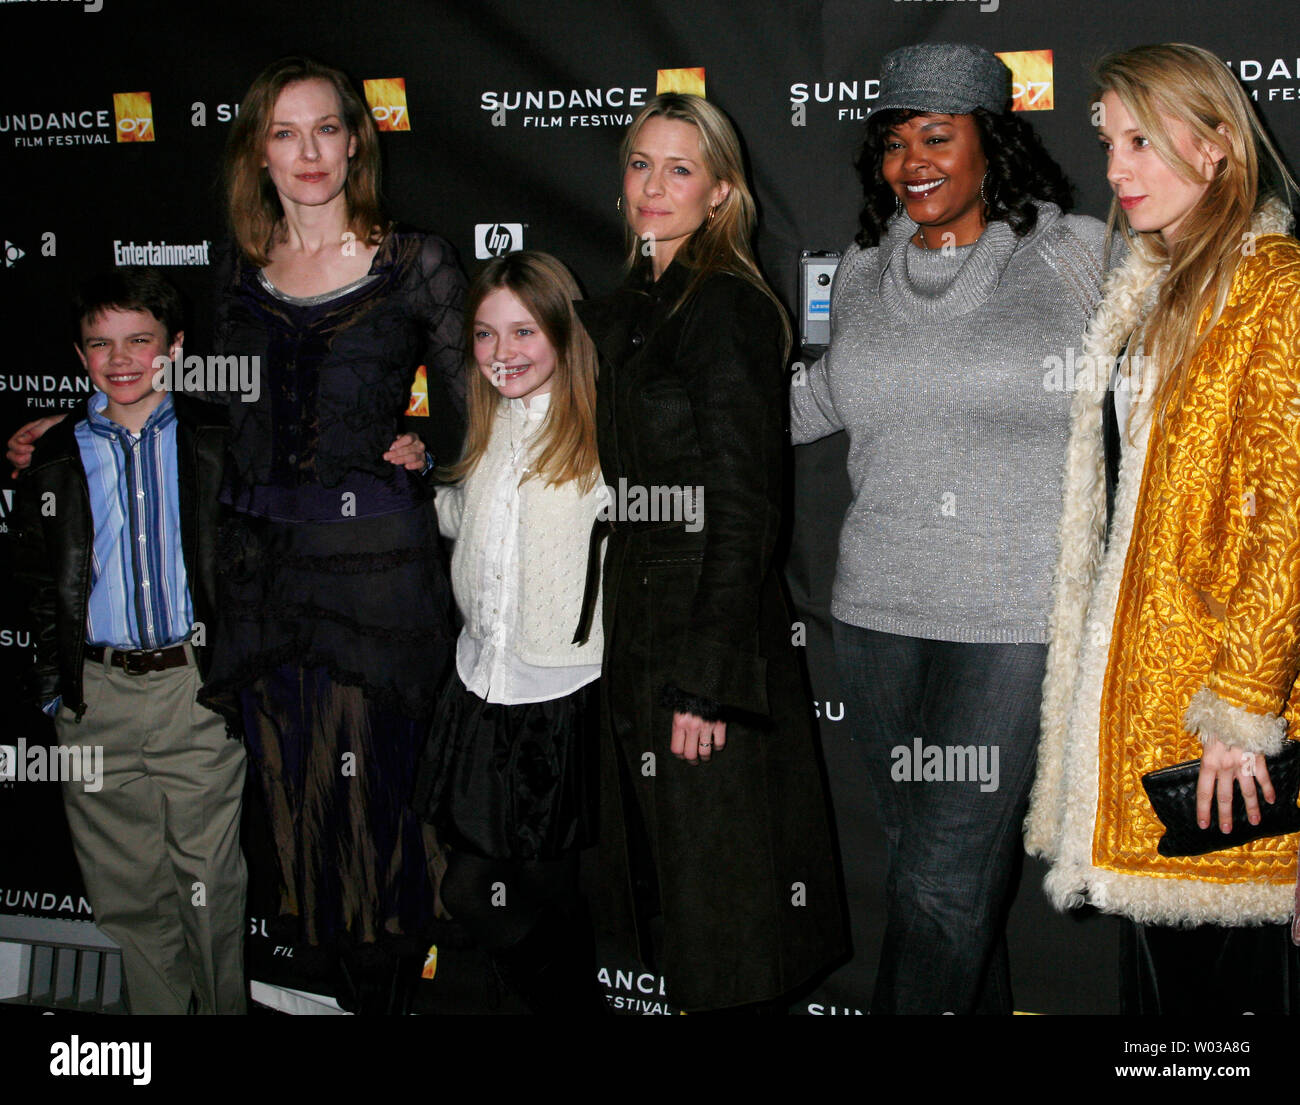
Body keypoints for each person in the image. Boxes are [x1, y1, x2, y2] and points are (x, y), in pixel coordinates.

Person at [790, 43, 1112, 1013]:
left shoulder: (1073, 254)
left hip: (1010, 620)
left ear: (990, 142)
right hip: (878, 619)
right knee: (937, 884)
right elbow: (811, 405)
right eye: (893, 142)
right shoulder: (858, 271)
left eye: (936, 135)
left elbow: (1174, 372)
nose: (911, 162)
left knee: (937, 884)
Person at [1024, 42, 1300, 1013]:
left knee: (1223, 1004)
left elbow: (1287, 514)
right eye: (1107, 143)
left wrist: (1240, 710)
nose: (1114, 171)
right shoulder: (1154, 285)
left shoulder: (1274, 286)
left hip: (1222, 728)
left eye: (1140, 140)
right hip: (1146, 707)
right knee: (1164, 1001)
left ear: (1218, 143)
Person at [192, 56, 466, 1012]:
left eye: (325, 130)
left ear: (356, 141)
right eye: (284, 132)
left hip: (374, 587)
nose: (308, 152)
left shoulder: (416, 261)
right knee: (300, 827)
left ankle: (386, 1000)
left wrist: (426, 441)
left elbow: (478, 405)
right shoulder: (234, 269)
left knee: (380, 833)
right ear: (258, 154)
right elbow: (197, 408)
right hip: (265, 591)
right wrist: (60, 427)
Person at [576, 92, 847, 1013]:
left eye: (680, 168)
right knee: (684, 905)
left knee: (726, 917)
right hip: (643, 631)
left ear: (721, 195)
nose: (654, 186)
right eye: (640, 164)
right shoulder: (637, 306)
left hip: (703, 640)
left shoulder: (724, 305)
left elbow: (745, 503)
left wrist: (708, 679)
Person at [13, 268, 246, 1014]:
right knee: (129, 900)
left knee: (211, 888)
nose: (120, 361)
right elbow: (39, 584)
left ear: (174, 348)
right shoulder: (50, 455)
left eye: (140, 341)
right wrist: (61, 693)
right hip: (96, 698)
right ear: (80, 355)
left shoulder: (220, 436)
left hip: (192, 689)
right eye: (100, 344)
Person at [412, 250, 606, 1012]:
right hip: (479, 686)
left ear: (563, 331)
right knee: (473, 889)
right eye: (486, 336)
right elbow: (465, 521)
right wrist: (411, 477)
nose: (503, 354)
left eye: (523, 331)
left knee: (546, 896)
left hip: (558, 701)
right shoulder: (489, 426)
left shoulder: (602, 435)